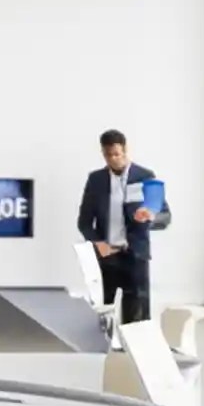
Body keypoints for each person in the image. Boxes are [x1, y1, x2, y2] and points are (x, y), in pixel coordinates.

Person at [76, 130, 172, 323]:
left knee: (137, 312)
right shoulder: (96, 180)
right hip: (107, 254)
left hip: (135, 254)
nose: (113, 159)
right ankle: (106, 349)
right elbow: (84, 221)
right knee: (105, 309)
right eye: (108, 155)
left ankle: (135, 349)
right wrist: (97, 244)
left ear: (126, 150)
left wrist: (150, 216)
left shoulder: (145, 176)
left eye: (117, 154)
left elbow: (165, 215)